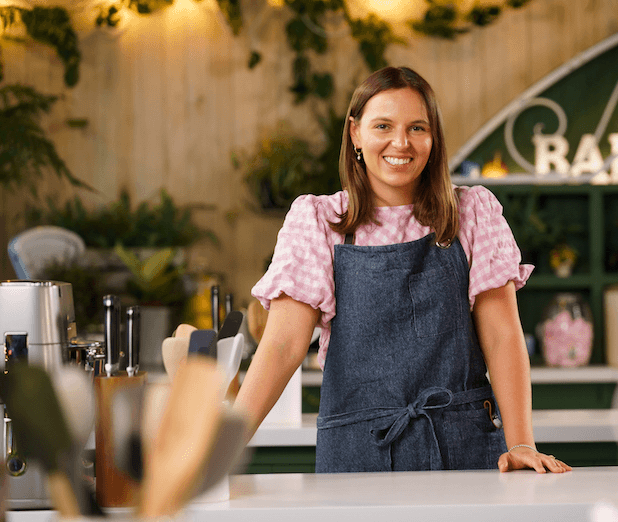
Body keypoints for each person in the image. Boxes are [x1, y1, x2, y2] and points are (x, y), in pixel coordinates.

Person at [234, 66, 571, 474]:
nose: (401, 142)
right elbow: (283, 346)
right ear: (355, 133)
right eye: (383, 126)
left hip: (465, 452)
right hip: (356, 454)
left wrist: (520, 442)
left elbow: (502, 335)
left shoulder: (473, 214)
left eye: (417, 128)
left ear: (434, 138)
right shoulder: (319, 221)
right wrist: (219, 453)